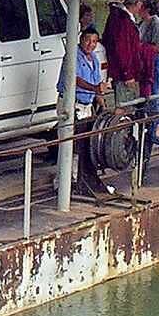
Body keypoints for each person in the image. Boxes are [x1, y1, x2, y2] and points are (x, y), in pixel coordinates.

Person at [69, 20, 110, 195]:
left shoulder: (93, 58)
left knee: (86, 143)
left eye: (94, 42)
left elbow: (96, 82)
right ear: (81, 39)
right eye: (87, 41)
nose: (90, 45)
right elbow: (76, 80)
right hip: (72, 103)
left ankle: (82, 177)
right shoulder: (73, 56)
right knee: (71, 142)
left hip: (86, 105)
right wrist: (95, 89)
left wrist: (101, 103)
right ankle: (66, 180)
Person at [100, 0, 145, 94]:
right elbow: (122, 49)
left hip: (121, 70)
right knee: (123, 105)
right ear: (138, 3)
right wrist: (127, 74)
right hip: (122, 73)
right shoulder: (122, 21)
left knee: (125, 105)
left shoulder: (118, 17)